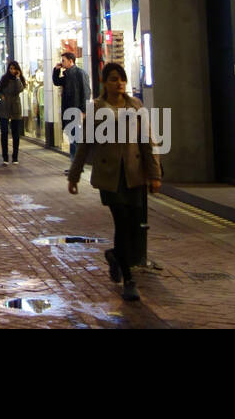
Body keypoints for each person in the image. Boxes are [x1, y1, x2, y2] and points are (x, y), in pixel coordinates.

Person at [67, 61, 161, 302]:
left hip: (134, 175)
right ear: (104, 83)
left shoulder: (136, 105)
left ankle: (114, 255)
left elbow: (147, 142)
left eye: (121, 78)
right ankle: (129, 280)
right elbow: (85, 144)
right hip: (110, 178)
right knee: (121, 223)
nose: (118, 83)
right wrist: (74, 175)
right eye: (113, 78)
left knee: (132, 227)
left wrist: (155, 174)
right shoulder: (97, 108)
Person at [56, 51, 91, 163]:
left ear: (71, 61)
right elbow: (56, 81)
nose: (62, 63)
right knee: (73, 138)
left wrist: (83, 110)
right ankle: (74, 164)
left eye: (63, 61)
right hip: (68, 111)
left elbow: (86, 92)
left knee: (76, 139)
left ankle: (77, 164)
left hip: (77, 111)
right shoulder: (66, 75)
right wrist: (56, 70)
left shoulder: (80, 73)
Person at [0, 61, 26, 164]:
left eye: (14, 68)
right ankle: (5, 157)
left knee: (16, 134)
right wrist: (1, 97)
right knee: (4, 132)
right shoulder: (4, 78)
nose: (12, 71)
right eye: (10, 68)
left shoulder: (19, 79)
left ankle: (15, 157)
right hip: (4, 107)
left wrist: (18, 78)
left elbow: (20, 89)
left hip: (15, 108)